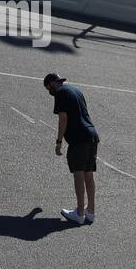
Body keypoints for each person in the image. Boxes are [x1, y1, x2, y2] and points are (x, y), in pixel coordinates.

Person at [43, 73, 99, 225]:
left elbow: (63, 118)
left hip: (78, 139)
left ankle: (79, 213)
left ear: (51, 84)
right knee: (89, 174)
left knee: (78, 174)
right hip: (91, 135)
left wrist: (59, 141)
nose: (49, 92)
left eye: (48, 88)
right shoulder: (75, 90)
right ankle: (91, 212)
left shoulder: (60, 93)